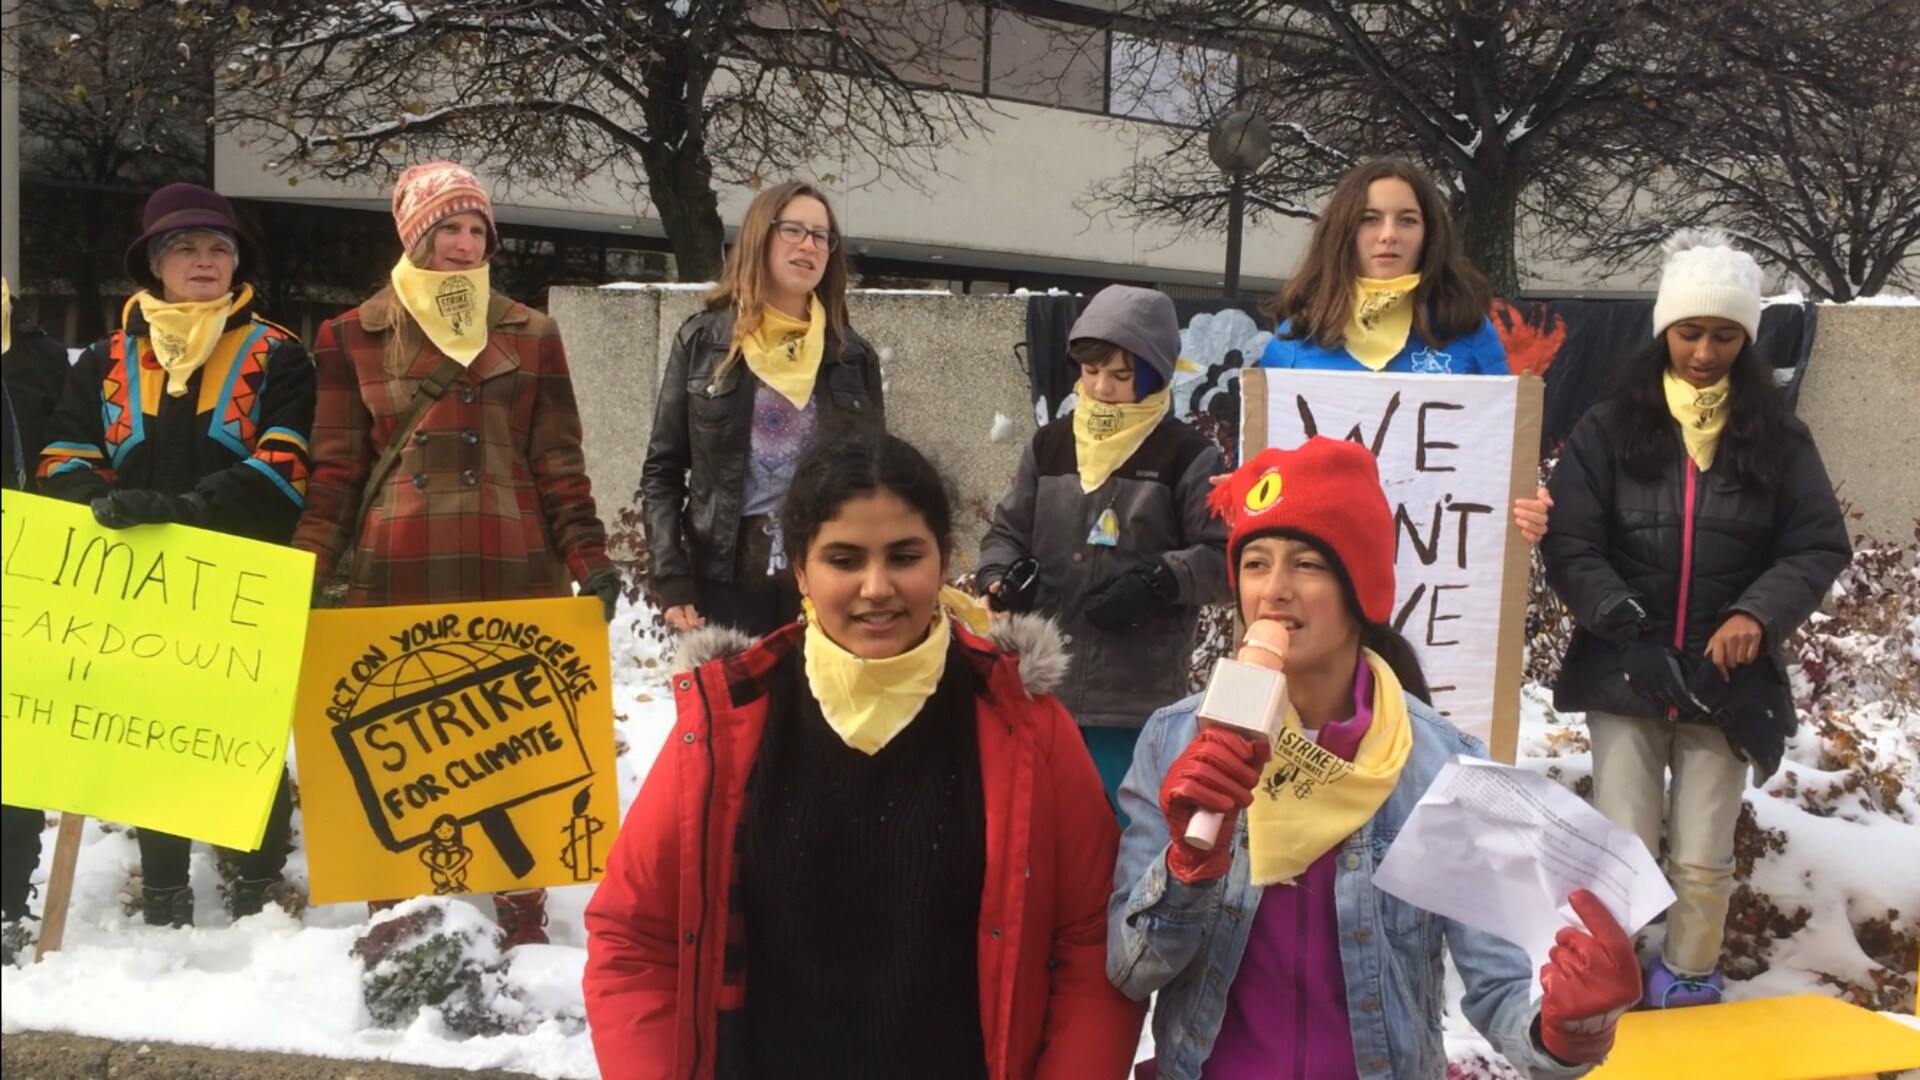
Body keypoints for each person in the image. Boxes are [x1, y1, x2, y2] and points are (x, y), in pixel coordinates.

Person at [584, 432, 1144, 1080]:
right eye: (844, 559)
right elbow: (633, 940)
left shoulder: (1025, 724)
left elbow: (1090, 939)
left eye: (904, 556)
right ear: (800, 570)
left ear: (944, 558)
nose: (877, 588)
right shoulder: (727, 724)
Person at [1110, 437, 1643, 1079]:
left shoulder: (1439, 763)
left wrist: (1567, 1030)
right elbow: (1131, 968)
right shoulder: (1174, 740)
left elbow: (1502, 988)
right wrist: (1186, 867)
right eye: (1255, 564)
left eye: (1307, 564)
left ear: (1360, 585)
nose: (1274, 591)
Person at [293, 161, 619, 946]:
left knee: (516, 736)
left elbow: (558, 460)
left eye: (478, 230)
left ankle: (522, 909)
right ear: (415, 236)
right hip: (394, 562)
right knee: (397, 734)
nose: (466, 244)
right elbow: (335, 470)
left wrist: (590, 558)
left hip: (512, 558)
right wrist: (304, 569)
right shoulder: (350, 334)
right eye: (449, 228)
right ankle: (394, 910)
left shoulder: (530, 331)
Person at [1540, 229, 1849, 1008]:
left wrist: (1756, 615)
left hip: (1726, 681)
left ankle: (1687, 974)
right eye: (1689, 332)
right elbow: (1572, 544)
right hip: (1625, 672)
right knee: (1623, 841)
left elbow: (1816, 544)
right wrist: (1626, 625)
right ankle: (1607, 975)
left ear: (1746, 341)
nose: (1704, 352)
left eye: (1723, 335)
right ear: (1663, 332)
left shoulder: (1781, 439)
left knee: (1705, 855)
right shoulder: (1607, 429)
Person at [37, 183, 311, 928]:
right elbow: (62, 453)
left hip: (241, 573)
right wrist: (99, 500)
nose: (204, 261)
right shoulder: (105, 357)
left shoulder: (278, 354)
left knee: (241, 731)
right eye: (185, 248)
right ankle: (163, 891)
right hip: (133, 575)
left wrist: (192, 509)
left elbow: (287, 460)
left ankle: (259, 885)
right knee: (152, 731)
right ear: (154, 263)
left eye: (219, 247)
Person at [977, 284, 1228, 813]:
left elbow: (1223, 559)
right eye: (1091, 371)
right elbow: (1006, 532)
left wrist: (1159, 582)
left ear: (1155, 374)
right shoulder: (1049, 444)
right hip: (1044, 682)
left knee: (1120, 827)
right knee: (1040, 822)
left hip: (1133, 694)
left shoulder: (1188, 454)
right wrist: (999, 577)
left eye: (1121, 375)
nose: (1102, 387)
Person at [641, 180, 884, 639]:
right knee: (734, 689)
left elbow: (875, 478)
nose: (809, 245)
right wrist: (671, 575)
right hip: (725, 578)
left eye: (821, 236)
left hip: (824, 575)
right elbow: (663, 471)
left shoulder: (852, 356)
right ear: (760, 237)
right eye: (793, 230)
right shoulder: (703, 341)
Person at [1258, 158, 1508, 376]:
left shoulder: (1467, 327)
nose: (1389, 235)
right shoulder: (1298, 333)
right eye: (1369, 219)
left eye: (1407, 220)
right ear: (1343, 232)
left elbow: (1504, 414)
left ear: (1430, 234)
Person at [2, 275, 73, 947]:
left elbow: (62, 454)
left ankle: (6, 899)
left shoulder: (40, 354)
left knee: (11, 746)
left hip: (20, 575)